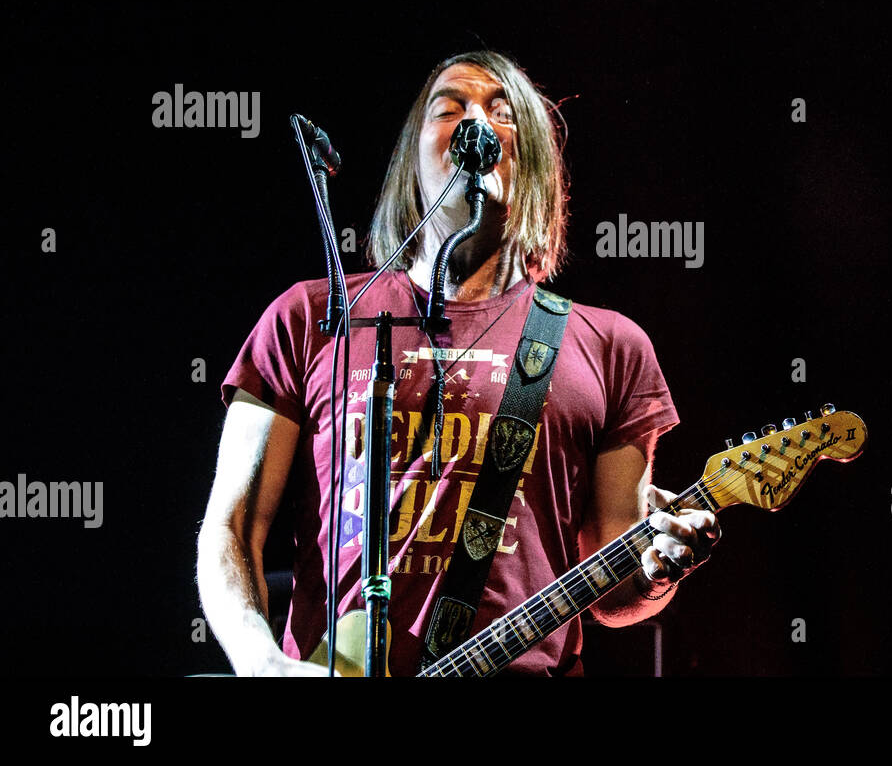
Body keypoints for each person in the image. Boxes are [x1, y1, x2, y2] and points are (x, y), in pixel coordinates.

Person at [196, 49, 718, 676]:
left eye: (503, 113)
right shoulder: (310, 317)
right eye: (449, 110)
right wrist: (262, 664)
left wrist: (660, 571)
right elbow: (231, 528)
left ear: (534, 166)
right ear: (411, 163)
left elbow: (616, 589)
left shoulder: (610, 346)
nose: (476, 123)